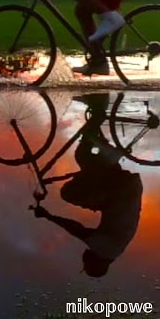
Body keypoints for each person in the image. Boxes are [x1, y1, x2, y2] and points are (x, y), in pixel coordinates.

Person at [30, 93, 143, 277]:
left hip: (123, 190)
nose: (84, 258)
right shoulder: (106, 251)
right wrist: (48, 216)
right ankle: (98, 114)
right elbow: (78, 230)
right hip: (121, 190)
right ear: (96, 264)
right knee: (70, 190)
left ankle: (104, 148)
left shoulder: (113, 250)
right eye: (86, 263)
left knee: (87, 165)